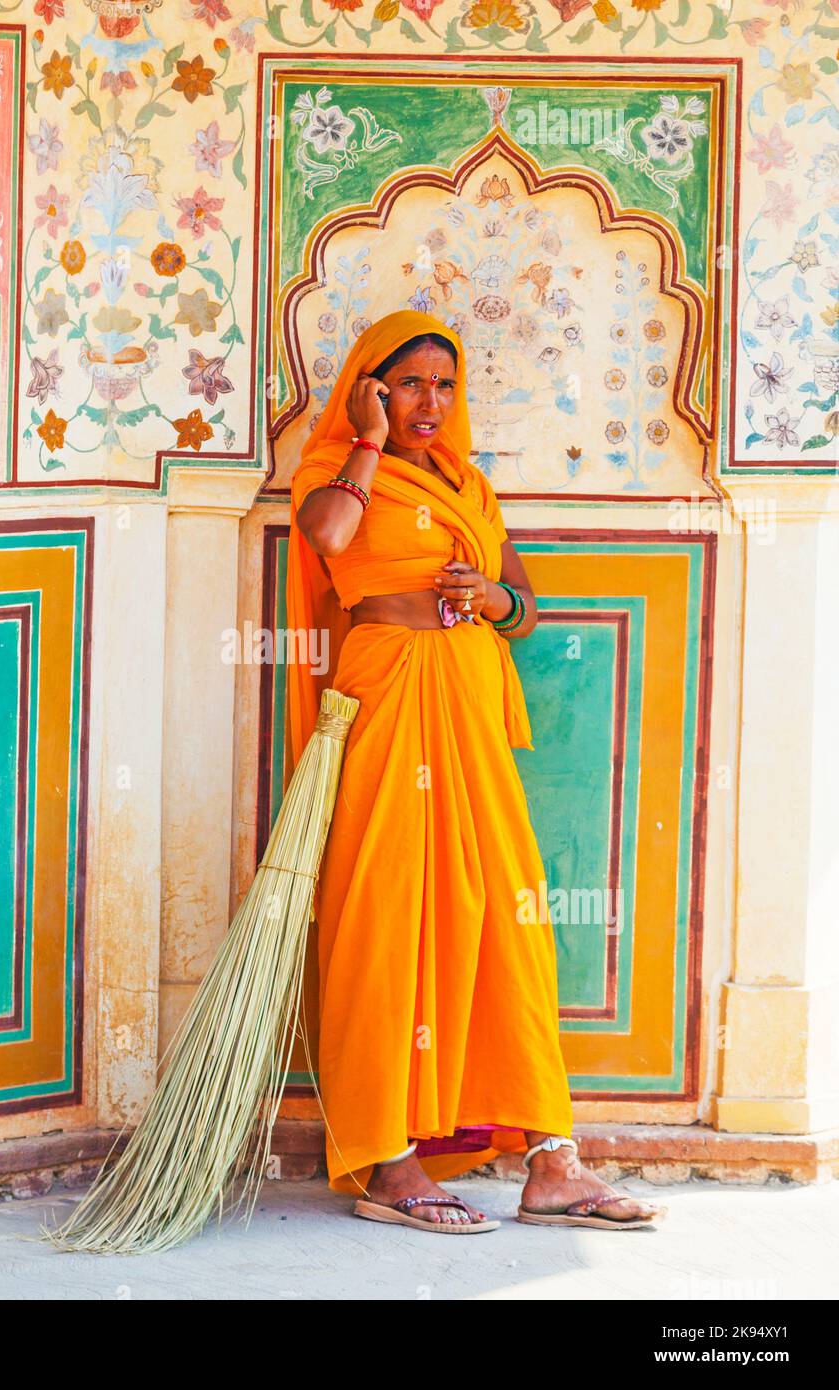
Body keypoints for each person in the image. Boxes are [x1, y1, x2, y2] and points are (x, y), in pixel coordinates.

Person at [285, 309, 665, 1233]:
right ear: (373, 389)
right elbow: (331, 537)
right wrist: (367, 444)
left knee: (506, 912)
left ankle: (550, 1159)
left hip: (466, 701)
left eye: (444, 386)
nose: (430, 402)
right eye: (409, 383)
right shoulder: (333, 466)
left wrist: (494, 597)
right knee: (386, 915)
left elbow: (521, 602)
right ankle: (386, 1156)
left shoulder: (470, 486)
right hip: (386, 699)